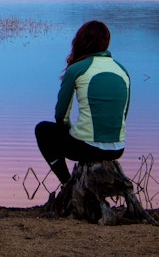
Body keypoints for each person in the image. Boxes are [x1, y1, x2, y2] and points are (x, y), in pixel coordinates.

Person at [34, 20, 131, 186]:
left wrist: (70, 129)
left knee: (42, 130)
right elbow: (123, 114)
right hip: (118, 148)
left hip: (86, 148)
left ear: (80, 41)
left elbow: (61, 115)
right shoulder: (122, 70)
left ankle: (67, 183)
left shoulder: (77, 69)